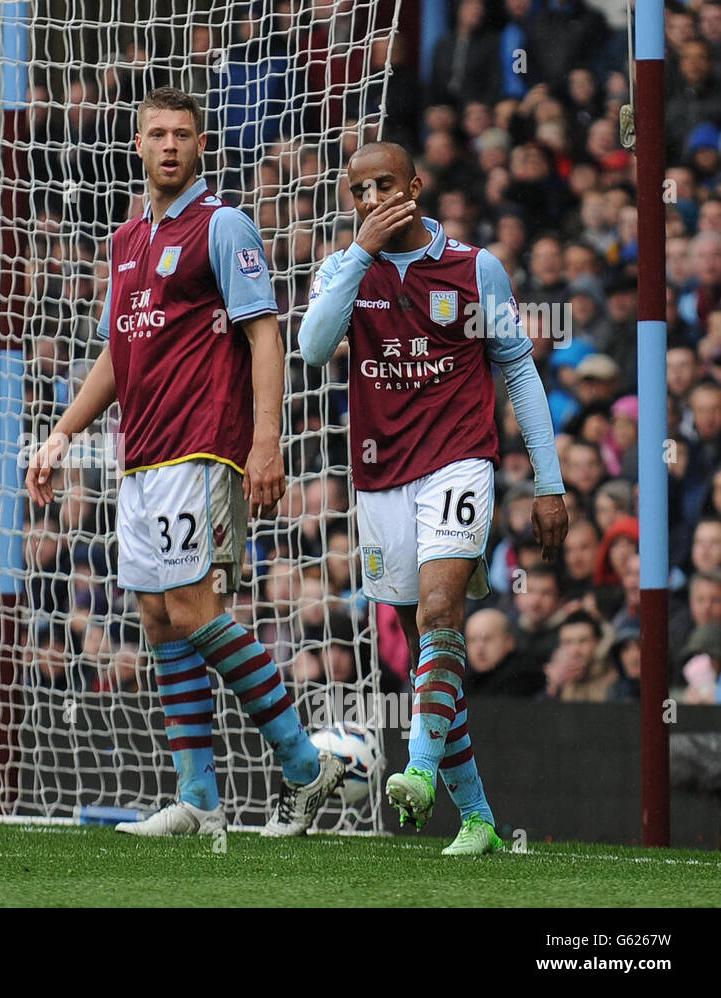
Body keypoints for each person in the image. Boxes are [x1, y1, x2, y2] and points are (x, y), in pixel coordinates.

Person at [26, 87, 344, 838]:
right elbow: (117, 351)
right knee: (160, 620)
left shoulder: (222, 224)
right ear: (137, 146)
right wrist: (63, 433)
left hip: (203, 447)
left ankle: (304, 767)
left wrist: (267, 441)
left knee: (195, 610)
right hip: (141, 454)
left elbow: (264, 334)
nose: (168, 145)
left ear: (201, 146)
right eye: (156, 134)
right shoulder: (126, 238)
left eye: (182, 134)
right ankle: (199, 799)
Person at [299, 141, 568, 854]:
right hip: (382, 476)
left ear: (415, 186)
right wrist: (358, 256)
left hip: (459, 461)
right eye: (359, 190)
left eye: (385, 185)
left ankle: (417, 771)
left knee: (444, 610)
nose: (372, 199)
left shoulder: (473, 268)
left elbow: (519, 373)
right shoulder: (345, 269)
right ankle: (477, 816)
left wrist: (549, 482)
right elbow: (312, 347)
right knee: (427, 642)